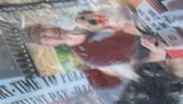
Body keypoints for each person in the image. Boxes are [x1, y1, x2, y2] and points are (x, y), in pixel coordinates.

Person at [26, 23, 168, 69]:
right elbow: (150, 61)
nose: (49, 33)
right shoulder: (91, 57)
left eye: (43, 29)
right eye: (43, 37)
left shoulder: (83, 21)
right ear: (48, 45)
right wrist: (158, 48)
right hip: (167, 41)